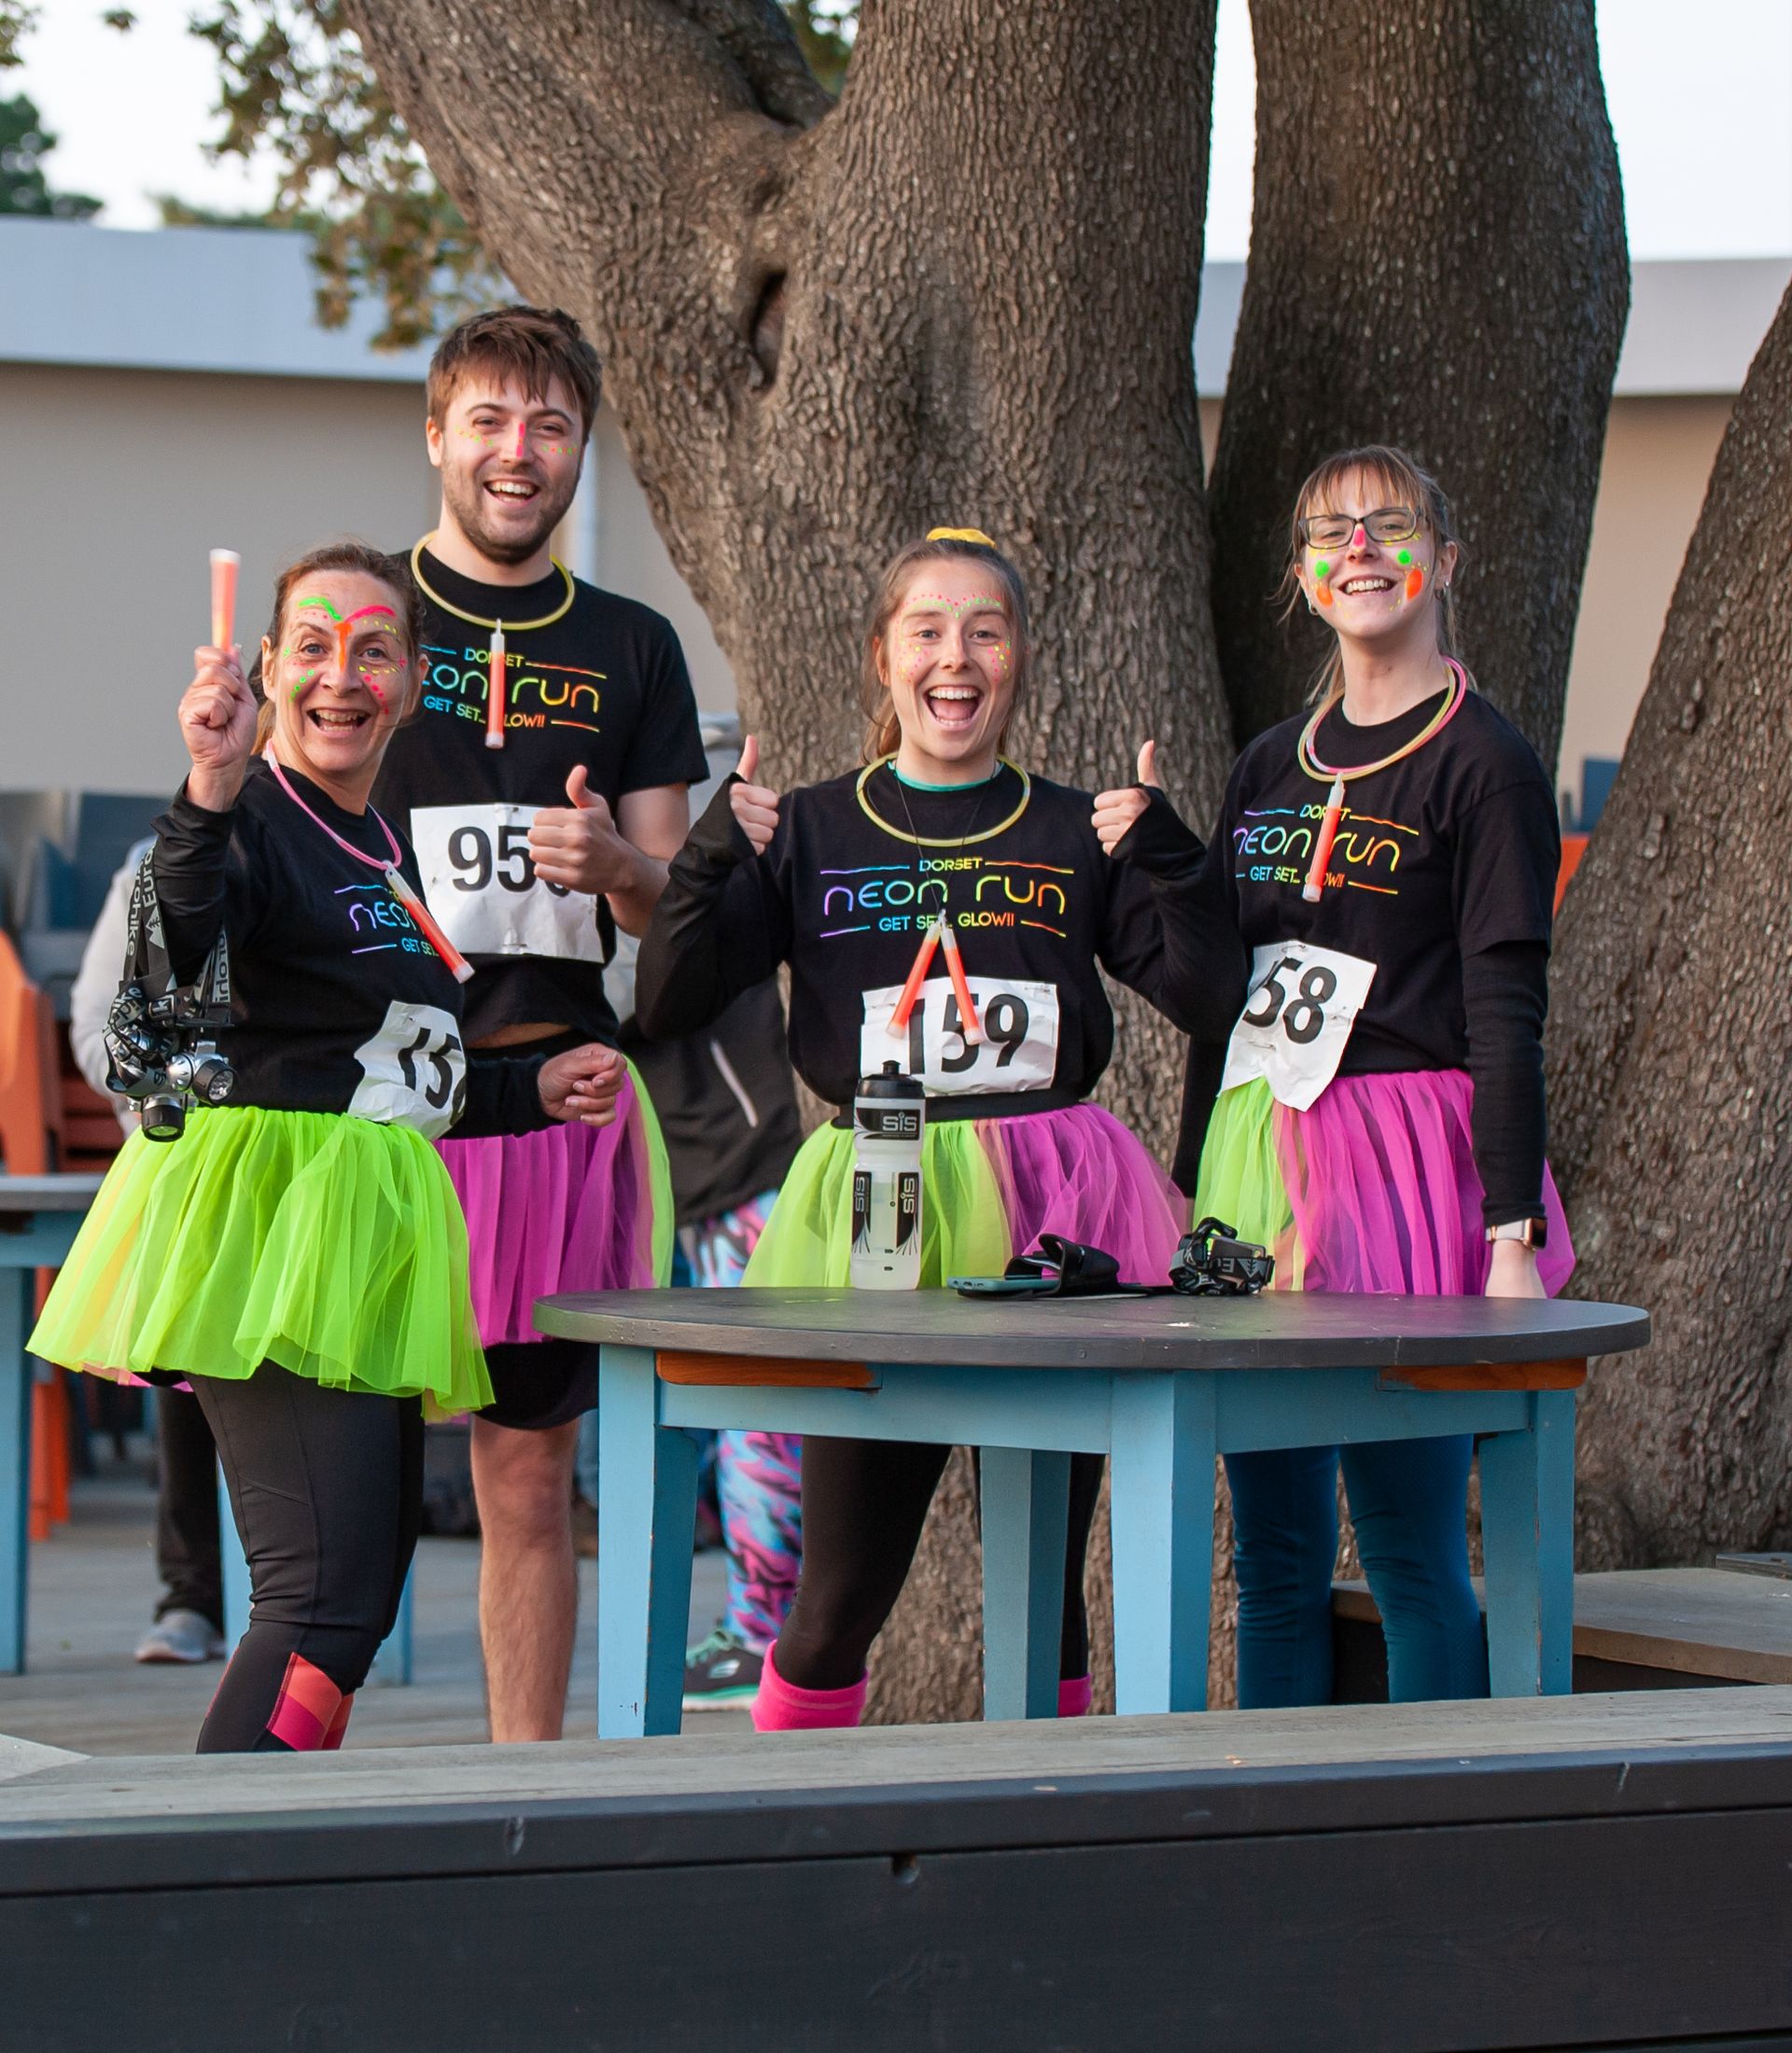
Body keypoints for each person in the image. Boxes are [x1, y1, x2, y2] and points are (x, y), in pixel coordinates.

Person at [635, 527, 1244, 1731]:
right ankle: (793, 1833)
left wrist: (1172, 859)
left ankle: (1048, 1818)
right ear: (882, 656)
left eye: (985, 630)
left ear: (1019, 661)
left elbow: (1210, 995)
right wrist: (710, 855)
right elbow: (668, 997)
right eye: (927, 629)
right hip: (879, 1208)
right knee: (844, 1582)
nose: (954, 658)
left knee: (1048, 1580)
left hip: (1052, 1206)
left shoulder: (1076, 828)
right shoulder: (809, 827)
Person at [29, 542, 626, 1753]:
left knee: (349, 1599)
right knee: (318, 1599)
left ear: (411, 679)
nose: (340, 677)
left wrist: (529, 1091)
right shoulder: (250, 818)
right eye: (311, 647)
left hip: (359, 1236)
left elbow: (397, 1071)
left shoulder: (376, 844)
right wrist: (205, 777)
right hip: (277, 1232)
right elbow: (185, 935)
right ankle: (213, 1866)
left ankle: (247, 1841)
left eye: (371, 650)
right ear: (262, 672)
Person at [1161, 444, 1575, 1709]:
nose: (1358, 549)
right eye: (1329, 532)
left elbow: (1507, 1005)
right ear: (1301, 575)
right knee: (1275, 1558)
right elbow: (1225, 998)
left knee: (1406, 1545)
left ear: (1442, 560)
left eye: (1387, 525)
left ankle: (1438, 1842)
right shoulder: (1268, 764)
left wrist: (1507, 1234)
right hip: (1259, 1154)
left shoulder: (1487, 764)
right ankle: (1277, 1847)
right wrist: (1193, 1190)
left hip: (1406, 1168)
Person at [371, 305, 707, 1742]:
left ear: (583, 449)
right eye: (493, 421)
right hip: (365, 1112)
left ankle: (527, 1791)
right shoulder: (360, 612)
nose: (521, 454)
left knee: (524, 1482)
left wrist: (618, 870)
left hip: (552, 1101)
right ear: (438, 433)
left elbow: (674, 915)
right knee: (338, 1492)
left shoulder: (631, 644)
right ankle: (272, 1800)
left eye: (552, 426)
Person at [71, 840, 228, 1667]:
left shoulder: (361, 848)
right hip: (185, 1163)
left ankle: (324, 1606)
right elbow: (97, 1022)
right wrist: (169, 1087)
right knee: (181, 1377)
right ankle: (192, 1594)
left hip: (323, 1166)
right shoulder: (148, 863)